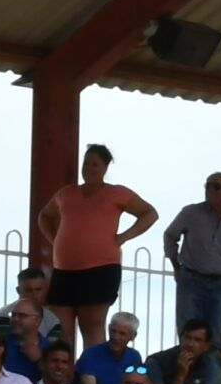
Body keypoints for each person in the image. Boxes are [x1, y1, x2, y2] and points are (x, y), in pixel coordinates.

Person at [36, 144, 157, 355]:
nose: (89, 168)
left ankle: (91, 373)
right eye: (86, 163)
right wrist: (55, 241)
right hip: (64, 270)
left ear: (105, 167)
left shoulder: (117, 193)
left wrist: (123, 237)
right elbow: (44, 216)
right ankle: (62, 373)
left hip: (101, 269)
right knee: (60, 329)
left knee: (91, 326)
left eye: (95, 164)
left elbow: (149, 213)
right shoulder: (66, 194)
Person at [162, 172, 221, 340]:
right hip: (190, 280)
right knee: (189, 334)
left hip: (219, 283)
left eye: (216, 186)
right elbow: (170, 235)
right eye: (207, 185)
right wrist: (176, 265)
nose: (210, 190)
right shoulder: (190, 213)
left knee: (217, 336)